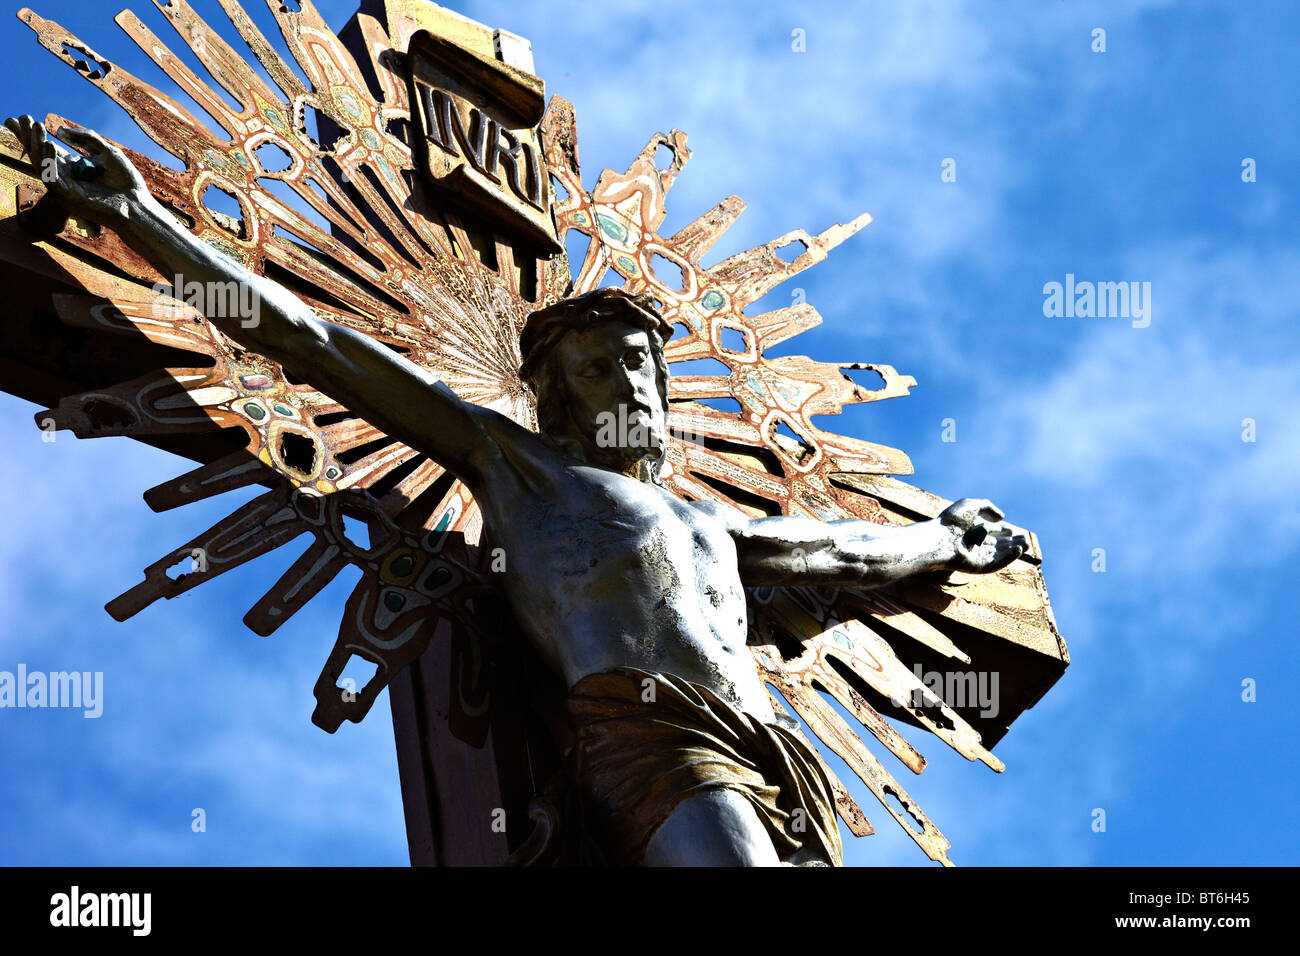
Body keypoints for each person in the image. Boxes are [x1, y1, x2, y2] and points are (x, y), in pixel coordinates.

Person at [5, 116, 1027, 865]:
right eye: (595, 366)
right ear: (544, 394)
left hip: (767, 752)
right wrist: (138, 216)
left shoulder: (713, 527)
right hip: (654, 738)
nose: (629, 383)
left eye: (640, 364)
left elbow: (847, 556)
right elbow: (308, 338)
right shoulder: (519, 466)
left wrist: (949, 542)